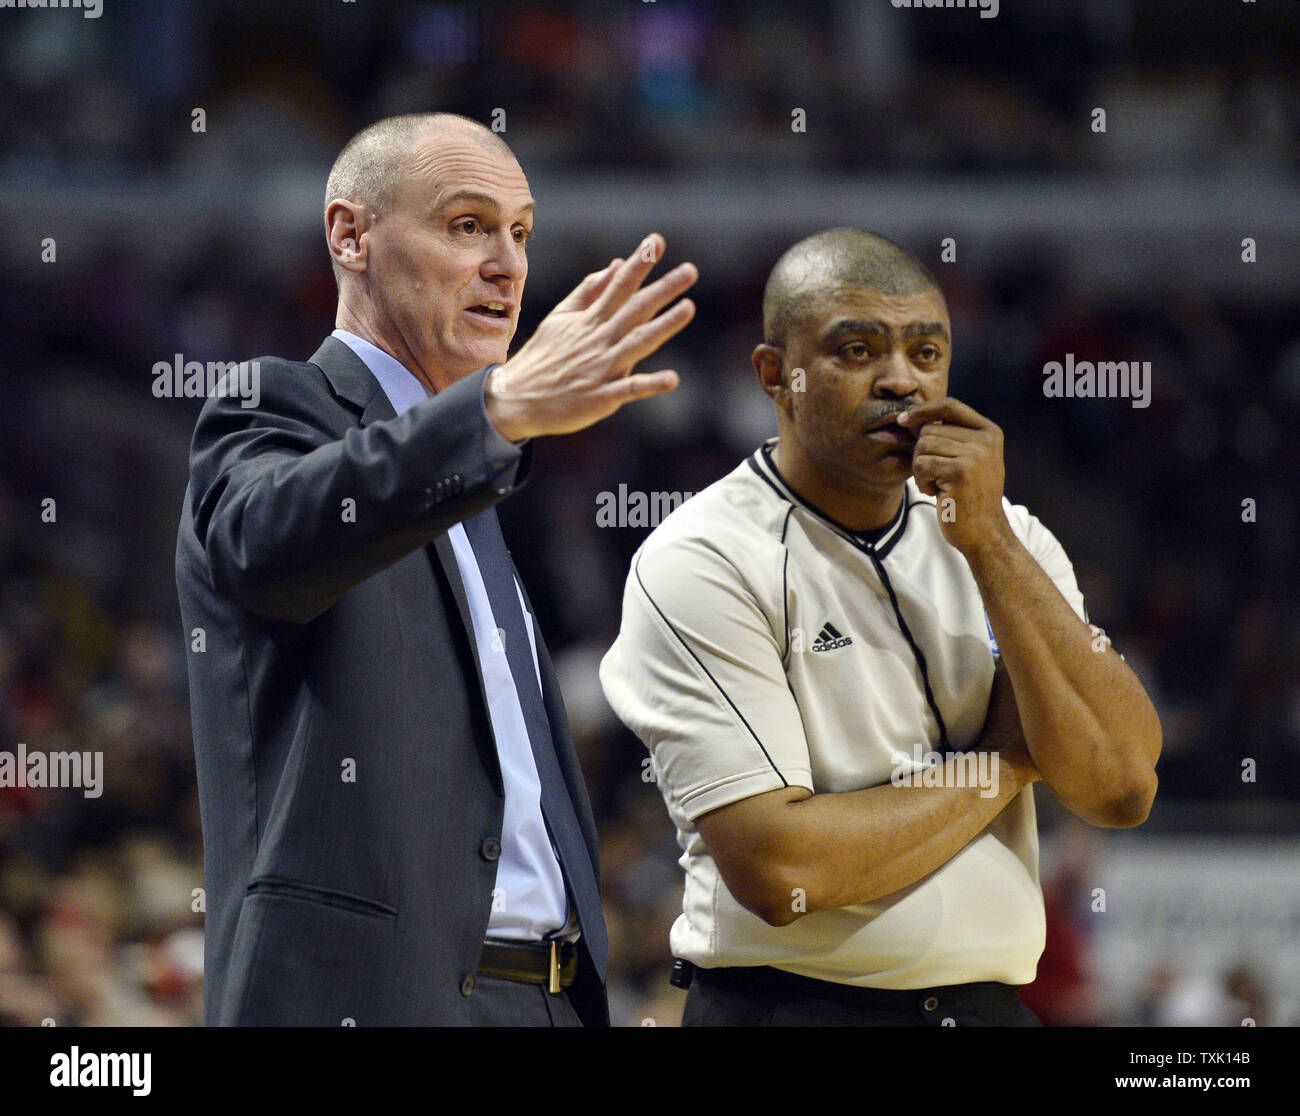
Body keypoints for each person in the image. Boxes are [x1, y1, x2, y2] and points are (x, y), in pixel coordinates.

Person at [175, 112, 697, 1026]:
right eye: (467, 226)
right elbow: (266, 544)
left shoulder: (479, 477)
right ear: (351, 235)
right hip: (370, 997)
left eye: (521, 233)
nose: (508, 264)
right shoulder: (277, 407)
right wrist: (496, 410)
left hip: (545, 999)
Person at [599, 228, 1161, 1027]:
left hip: (990, 1008)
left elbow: (1123, 785)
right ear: (775, 376)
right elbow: (780, 867)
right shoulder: (701, 557)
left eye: (927, 355)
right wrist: (1008, 759)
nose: (901, 380)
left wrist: (990, 544)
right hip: (791, 1010)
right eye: (857, 351)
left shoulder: (1015, 540)